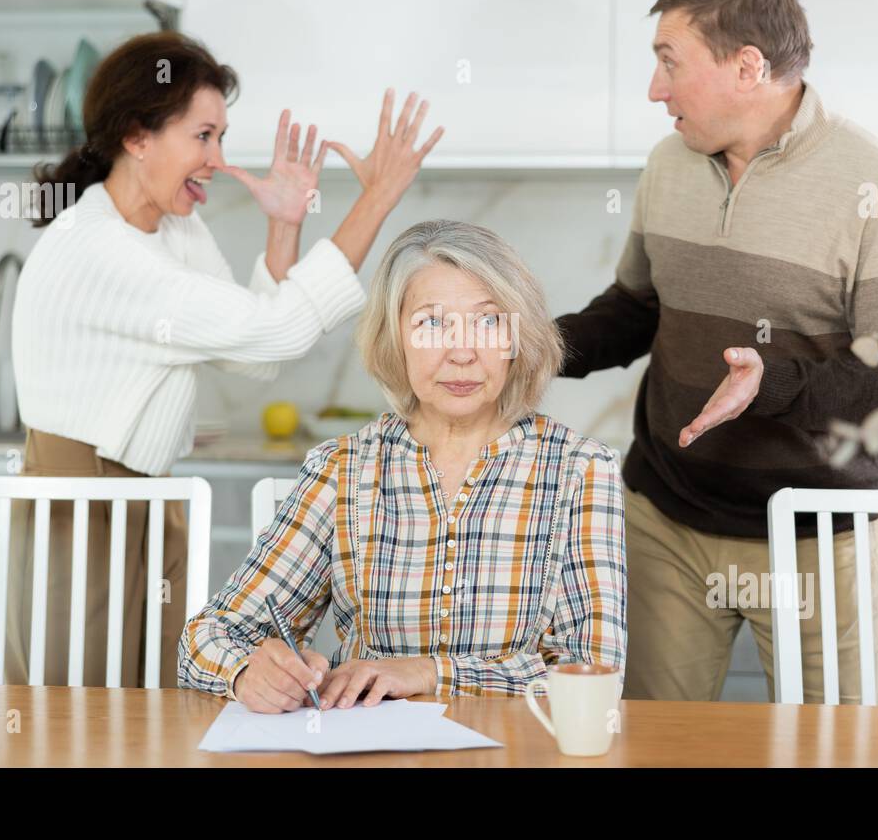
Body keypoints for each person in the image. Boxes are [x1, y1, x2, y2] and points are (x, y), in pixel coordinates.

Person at [556, 0, 878, 704]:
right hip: (666, 521)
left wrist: (772, 385)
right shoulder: (669, 165)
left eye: (668, 63)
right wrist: (539, 346)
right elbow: (638, 307)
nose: (654, 90)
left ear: (747, 67)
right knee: (655, 753)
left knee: (832, 755)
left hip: (816, 534)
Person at [7, 30, 442, 687]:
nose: (216, 158)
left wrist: (284, 226)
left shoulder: (174, 229)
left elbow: (255, 355)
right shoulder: (99, 249)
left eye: (220, 137)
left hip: (151, 493)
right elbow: (278, 332)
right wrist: (376, 196)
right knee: (73, 719)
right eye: (203, 135)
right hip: (79, 497)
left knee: (152, 710)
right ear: (137, 136)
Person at [178, 220, 627, 710]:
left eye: (488, 322)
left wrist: (430, 673)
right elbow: (208, 638)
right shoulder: (343, 468)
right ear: (395, 338)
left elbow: (595, 668)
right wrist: (247, 672)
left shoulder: (582, 469)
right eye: (431, 324)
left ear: (517, 341)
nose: (461, 353)